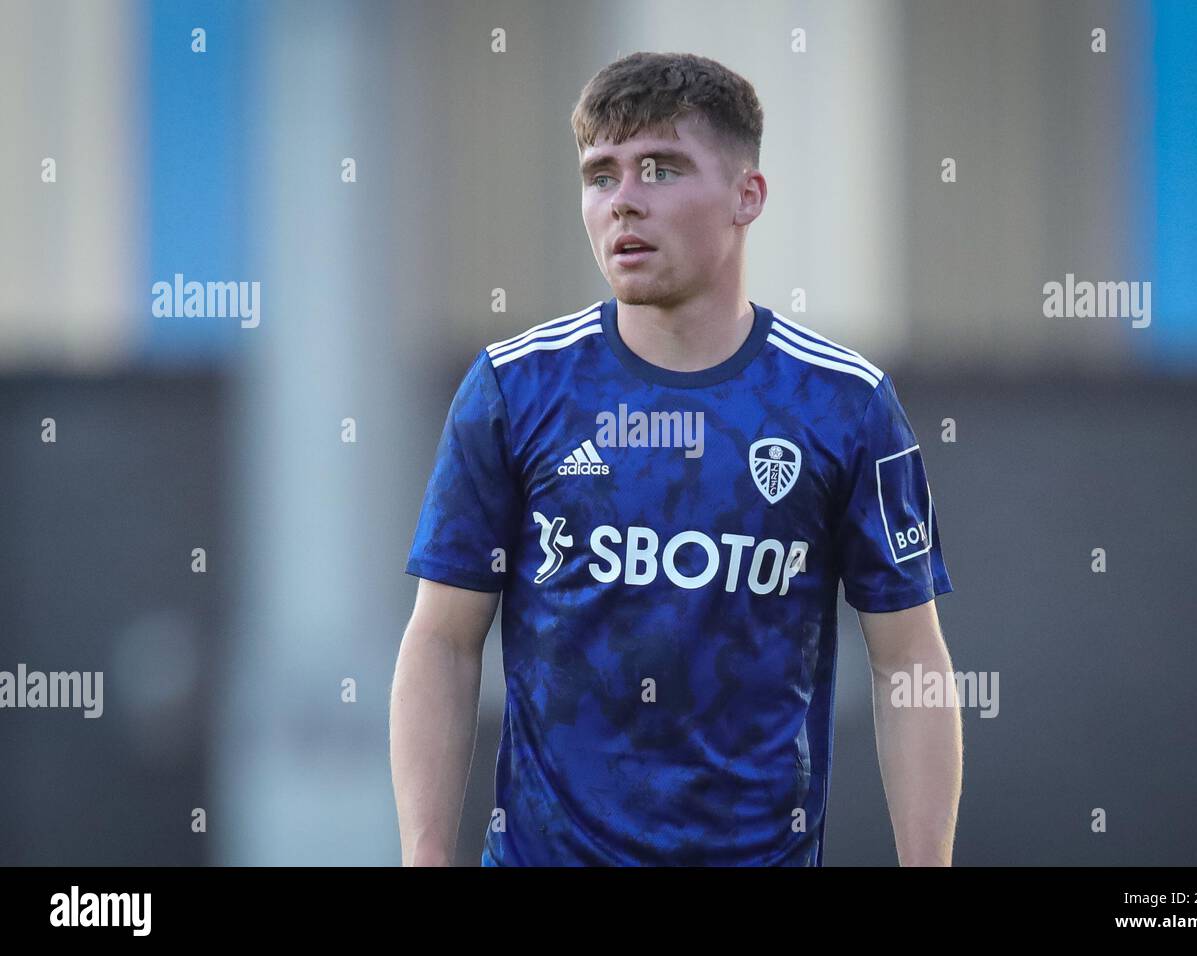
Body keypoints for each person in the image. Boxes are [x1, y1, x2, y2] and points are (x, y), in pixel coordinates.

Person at [390, 51, 959, 866]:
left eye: (660, 169)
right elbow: (442, 640)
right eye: (601, 175)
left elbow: (909, 656)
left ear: (746, 196)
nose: (624, 200)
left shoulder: (846, 403)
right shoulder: (513, 390)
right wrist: (423, 856)